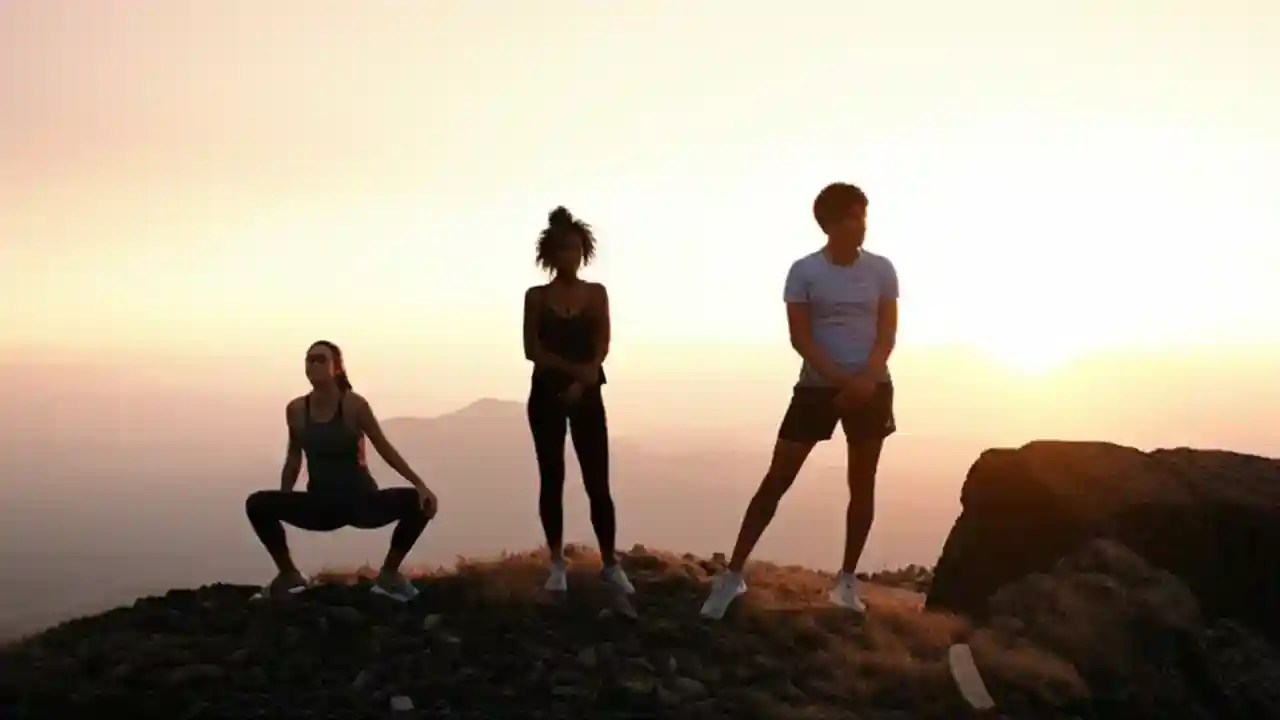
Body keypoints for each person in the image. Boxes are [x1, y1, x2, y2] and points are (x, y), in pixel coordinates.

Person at [700, 182, 898, 620]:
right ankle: (733, 574)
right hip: (816, 388)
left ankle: (846, 582)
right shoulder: (805, 271)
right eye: (853, 215)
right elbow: (801, 337)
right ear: (830, 222)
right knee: (777, 479)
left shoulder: (882, 269)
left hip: (872, 388)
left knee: (862, 486)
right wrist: (841, 380)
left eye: (863, 214)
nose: (861, 223)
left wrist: (864, 380)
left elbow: (887, 333)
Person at [245, 340, 439, 602]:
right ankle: (288, 575)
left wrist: (419, 484)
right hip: (321, 504)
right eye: (309, 359)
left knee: (419, 502)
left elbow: (383, 447)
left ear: (337, 368)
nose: (313, 364)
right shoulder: (296, 410)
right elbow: (294, 457)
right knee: (257, 504)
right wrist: (285, 499)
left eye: (321, 359)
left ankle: (389, 575)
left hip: (360, 502)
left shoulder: (354, 406)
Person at [522, 206, 634, 595]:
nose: (568, 256)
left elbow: (602, 343)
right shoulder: (535, 297)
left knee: (597, 480)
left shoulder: (596, 293)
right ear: (549, 255)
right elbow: (531, 349)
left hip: (587, 395)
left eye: (574, 249)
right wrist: (575, 373)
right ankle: (556, 563)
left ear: (583, 251)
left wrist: (583, 377)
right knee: (551, 478)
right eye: (561, 250)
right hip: (547, 395)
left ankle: (610, 562)